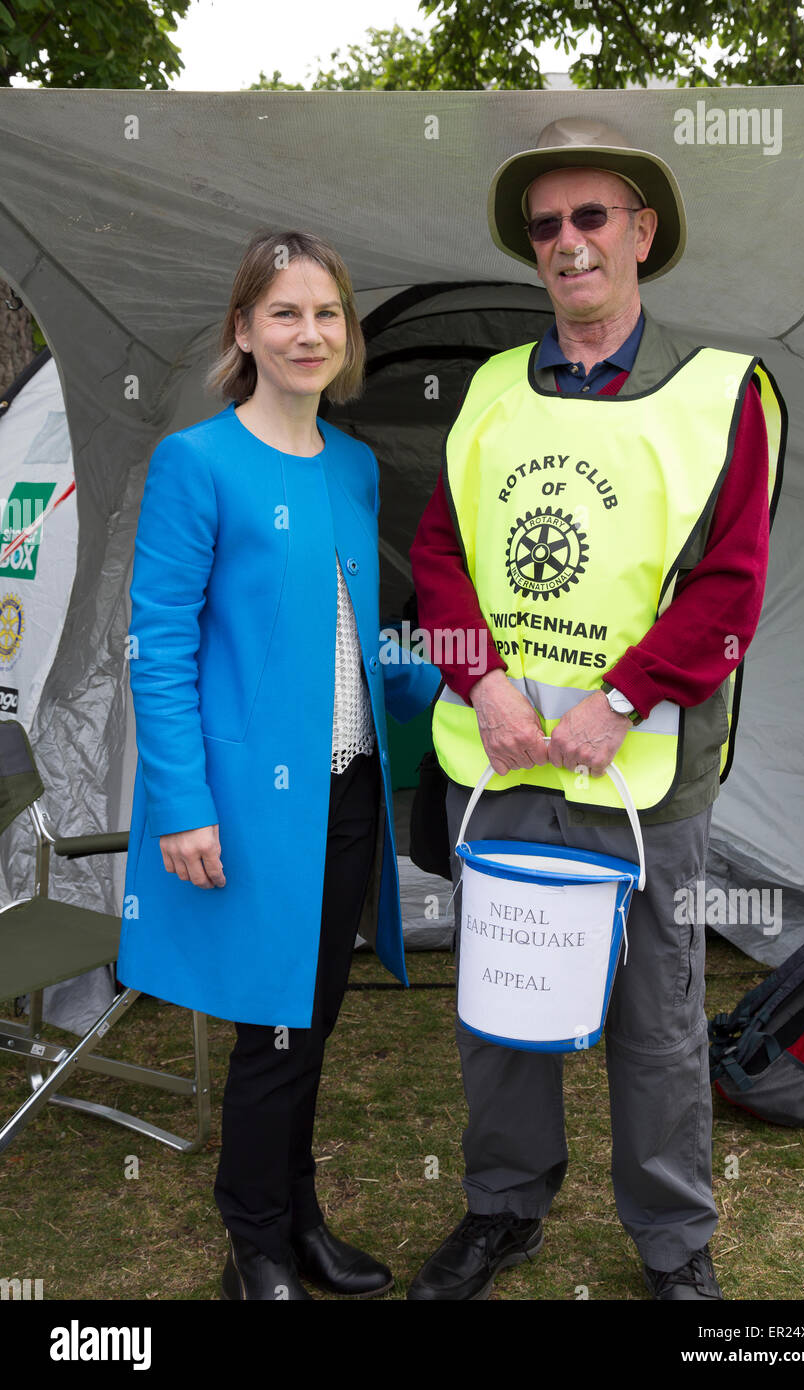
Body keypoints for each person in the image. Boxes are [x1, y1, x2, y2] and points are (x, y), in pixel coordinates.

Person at [408, 119, 785, 1301]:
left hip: (637, 769)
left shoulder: (721, 393)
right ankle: (501, 1206)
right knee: (500, 999)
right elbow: (437, 559)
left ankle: (671, 1243)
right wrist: (480, 681)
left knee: (654, 1013)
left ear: (641, 232)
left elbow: (727, 589)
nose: (566, 242)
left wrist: (620, 700)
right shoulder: (489, 392)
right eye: (544, 226)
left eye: (589, 217)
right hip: (498, 761)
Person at [118, 229, 439, 1301]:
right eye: (286, 312)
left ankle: (298, 1221)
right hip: (250, 806)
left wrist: (460, 679)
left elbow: (350, 636)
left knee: (311, 1020)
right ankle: (253, 1243)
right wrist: (181, 802)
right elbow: (160, 643)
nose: (310, 333)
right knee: (273, 1025)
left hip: (349, 793)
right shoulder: (197, 462)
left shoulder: (352, 465)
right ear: (244, 330)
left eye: (327, 313)